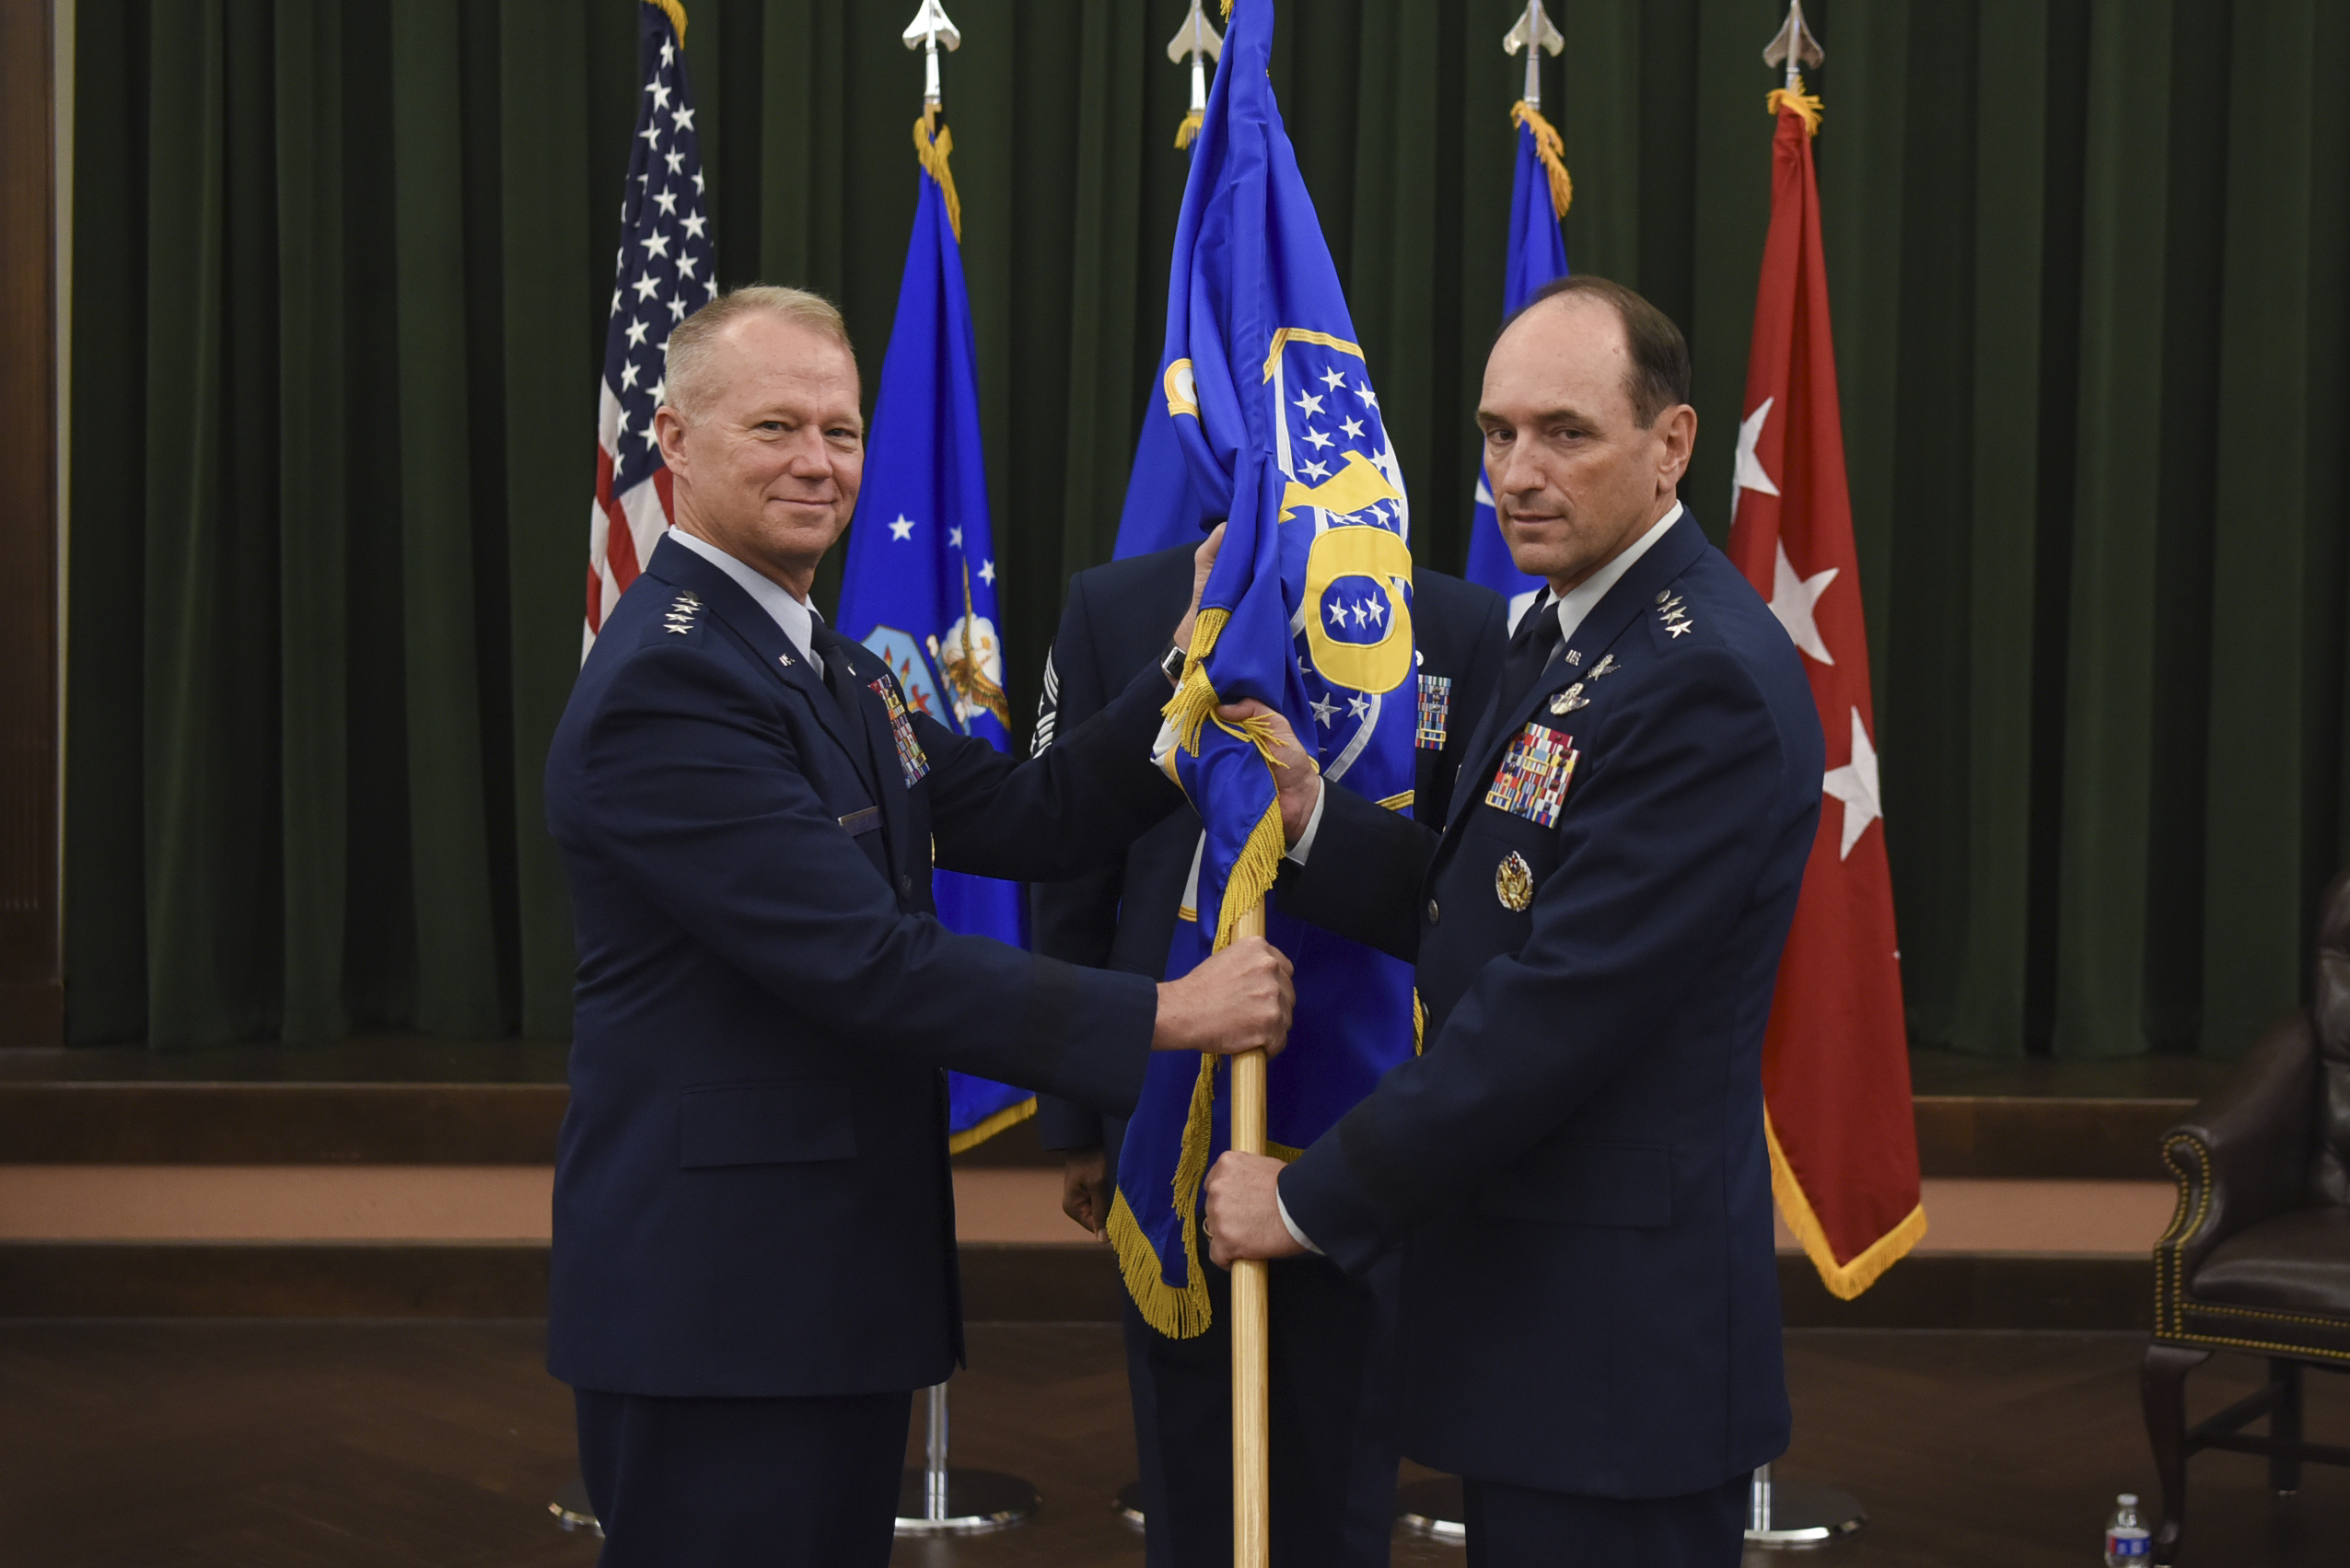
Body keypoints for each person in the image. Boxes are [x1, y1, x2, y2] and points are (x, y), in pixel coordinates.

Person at [541, 285, 1296, 1568]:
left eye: (840, 432)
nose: (817, 461)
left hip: (818, 1282)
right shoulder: (671, 680)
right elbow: (867, 960)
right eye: (775, 425)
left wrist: (1184, 678)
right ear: (673, 441)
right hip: (720, 1302)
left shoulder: (830, 662)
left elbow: (1029, 809)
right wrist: (1170, 1013)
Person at [1203, 273, 1825, 1568]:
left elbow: (1550, 1013)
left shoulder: (1696, 672)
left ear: (1673, 446)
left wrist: (1311, 1197)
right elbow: (1491, 897)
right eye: (1497, 434)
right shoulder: (1564, 628)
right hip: (1544, 1321)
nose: (1517, 473)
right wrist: (1315, 817)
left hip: (1618, 1350)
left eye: (1564, 432)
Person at [1030, 542, 1508, 1566]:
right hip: (1167, 1097)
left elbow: (1461, 888)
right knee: (1189, 1453)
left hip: (1370, 1106)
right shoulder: (1118, 604)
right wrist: (1074, 1115)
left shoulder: (1455, 620)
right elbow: (1070, 867)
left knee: (1341, 1465)